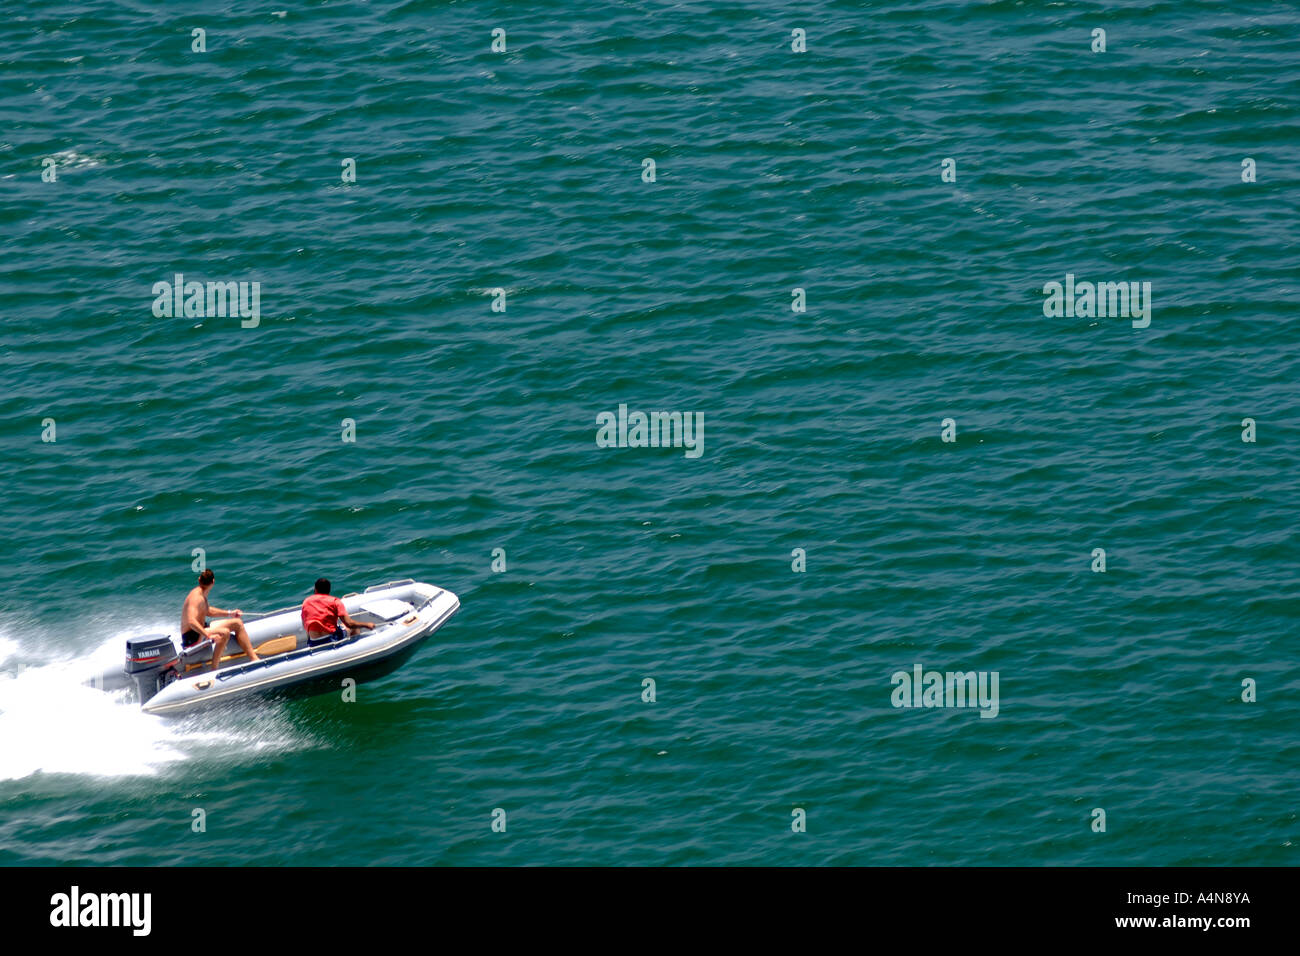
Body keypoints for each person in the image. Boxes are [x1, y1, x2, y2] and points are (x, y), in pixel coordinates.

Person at [181, 569, 259, 668]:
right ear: (213, 582)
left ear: (199, 579)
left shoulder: (201, 593)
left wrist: (230, 613)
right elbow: (191, 621)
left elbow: (208, 611)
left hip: (201, 629)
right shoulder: (196, 597)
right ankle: (214, 669)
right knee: (224, 632)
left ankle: (254, 659)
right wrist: (208, 635)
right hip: (192, 637)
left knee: (237, 623)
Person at [301, 578, 374, 645]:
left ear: (315, 589)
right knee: (354, 628)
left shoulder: (306, 602)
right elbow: (349, 624)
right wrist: (367, 625)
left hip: (313, 641)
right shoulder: (335, 601)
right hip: (330, 639)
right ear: (329, 590)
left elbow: (305, 624)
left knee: (341, 626)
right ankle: (354, 648)